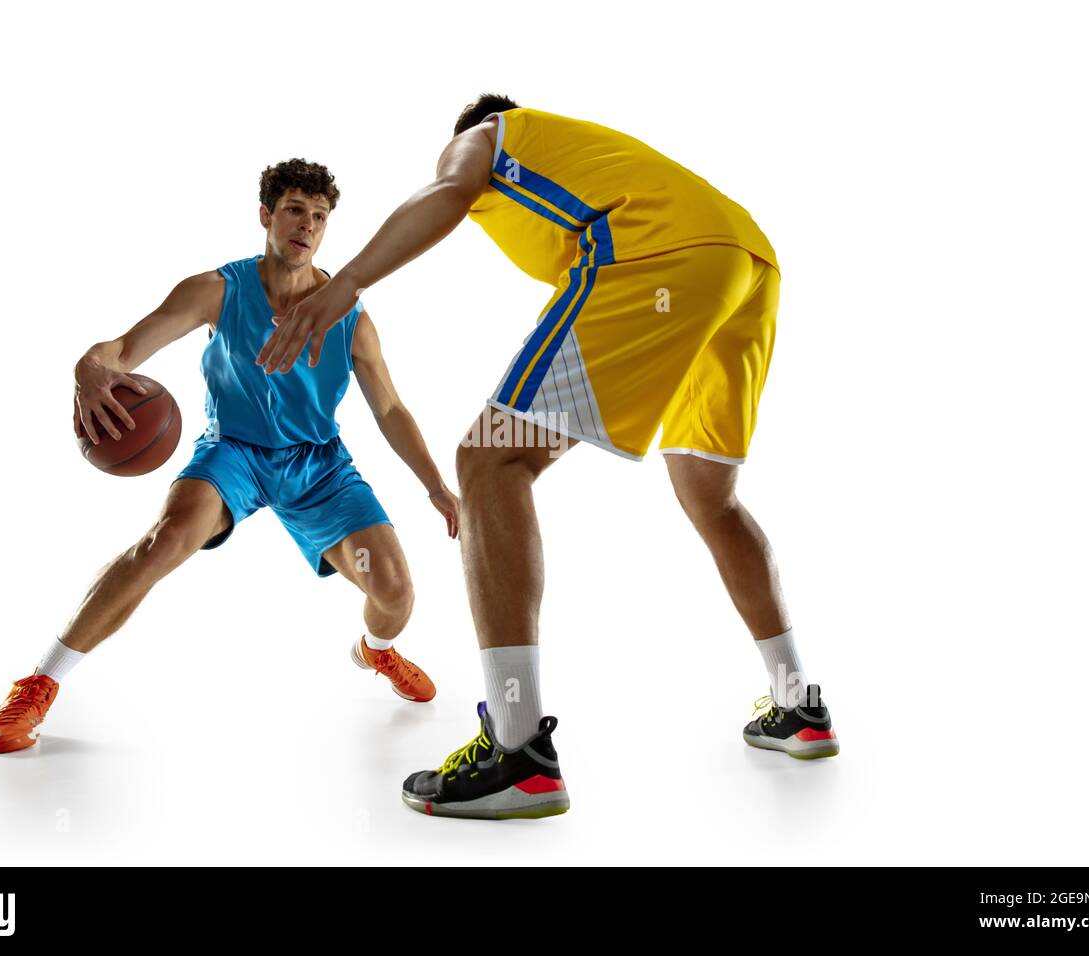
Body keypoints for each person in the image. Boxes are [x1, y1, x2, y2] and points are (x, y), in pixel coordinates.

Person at [260, 98, 839, 820]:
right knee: (710, 497)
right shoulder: (588, 163)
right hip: (745, 267)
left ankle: (517, 750)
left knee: (489, 461)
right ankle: (798, 707)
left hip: (655, 256)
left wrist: (340, 288)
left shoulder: (489, 134)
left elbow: (449, 190)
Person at [0, 159, 457, 754]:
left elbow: (390, 409)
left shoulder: (350, 317)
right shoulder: (217, 290)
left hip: (318, 467)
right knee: (167, 539)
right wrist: (89, 367)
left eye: (319, 216)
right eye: (293, 211)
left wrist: (435, 486)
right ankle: (38, 683)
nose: (305, 226)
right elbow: (123, 349)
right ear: (266, 215)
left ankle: (376, 652)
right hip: (233, 452)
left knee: (394, 591)